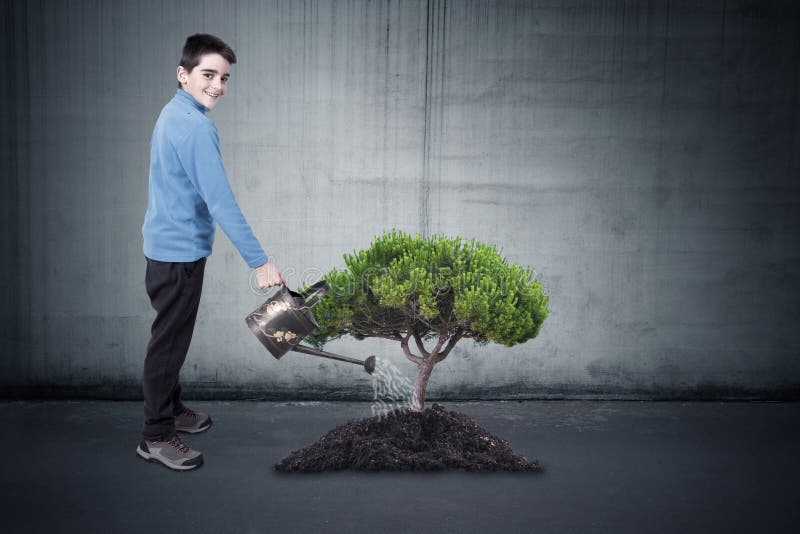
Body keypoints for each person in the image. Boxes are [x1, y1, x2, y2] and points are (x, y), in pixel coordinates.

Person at [137, 33, 286, 471]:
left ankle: (172, 407)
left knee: (172, 338)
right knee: (168, 345)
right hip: (177, 254)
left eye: (224, 77)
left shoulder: (174, 112)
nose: (217, 85)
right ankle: (156, 435)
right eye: (207, 74)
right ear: (183, 75)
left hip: (166, 247)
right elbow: (220, 201)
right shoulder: (195, 126)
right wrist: (260, 262)